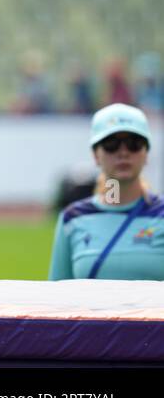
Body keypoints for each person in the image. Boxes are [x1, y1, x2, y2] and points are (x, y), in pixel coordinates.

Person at [49, 103, 163, 280]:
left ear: (146, 153)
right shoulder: (73, 218)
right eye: (111, 144)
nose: (123, 152)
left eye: (134, 143)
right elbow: (57, 299)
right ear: (96, 155)